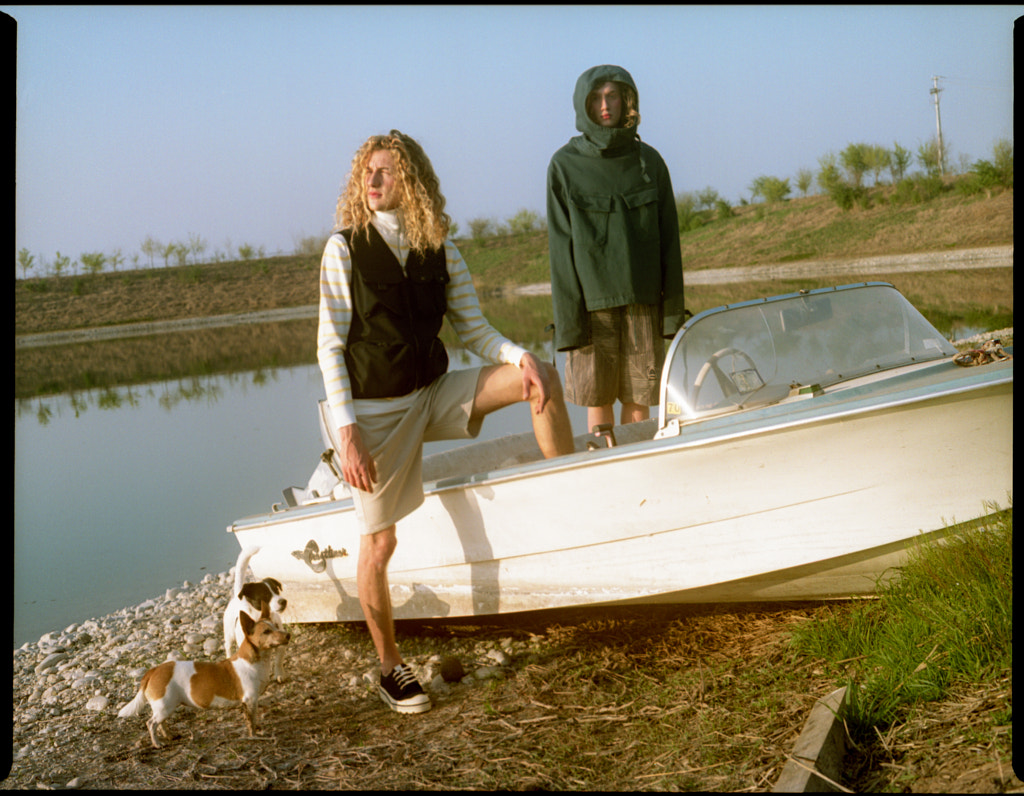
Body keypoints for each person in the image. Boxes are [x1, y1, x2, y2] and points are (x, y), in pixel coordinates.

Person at [317, 130, 575, 714]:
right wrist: (348, 434)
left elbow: (475, 330)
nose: (374, 180)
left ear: (412, 182)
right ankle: (389, 669)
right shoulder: (344, 249)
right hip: (375, 415)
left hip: (432, 393)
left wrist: (518, 356)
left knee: (540, 379)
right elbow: (330, 347)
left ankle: (571, 493)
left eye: (386, 171)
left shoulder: (441, 247)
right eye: (368, 172)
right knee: (380, 542)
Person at [546, 64, 686, 434]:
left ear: (628, 101)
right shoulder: (564, 165)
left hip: (645, 304)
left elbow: (670, 245)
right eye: (596, 98)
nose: (605, 105)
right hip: (591, 311)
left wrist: (671, 316)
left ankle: (639, 467)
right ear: (583, 104)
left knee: (639, 403)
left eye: (613, 96)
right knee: (598, 400)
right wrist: (570, 324)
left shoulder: (650, 162)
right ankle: (602, 466)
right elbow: (561, 251)